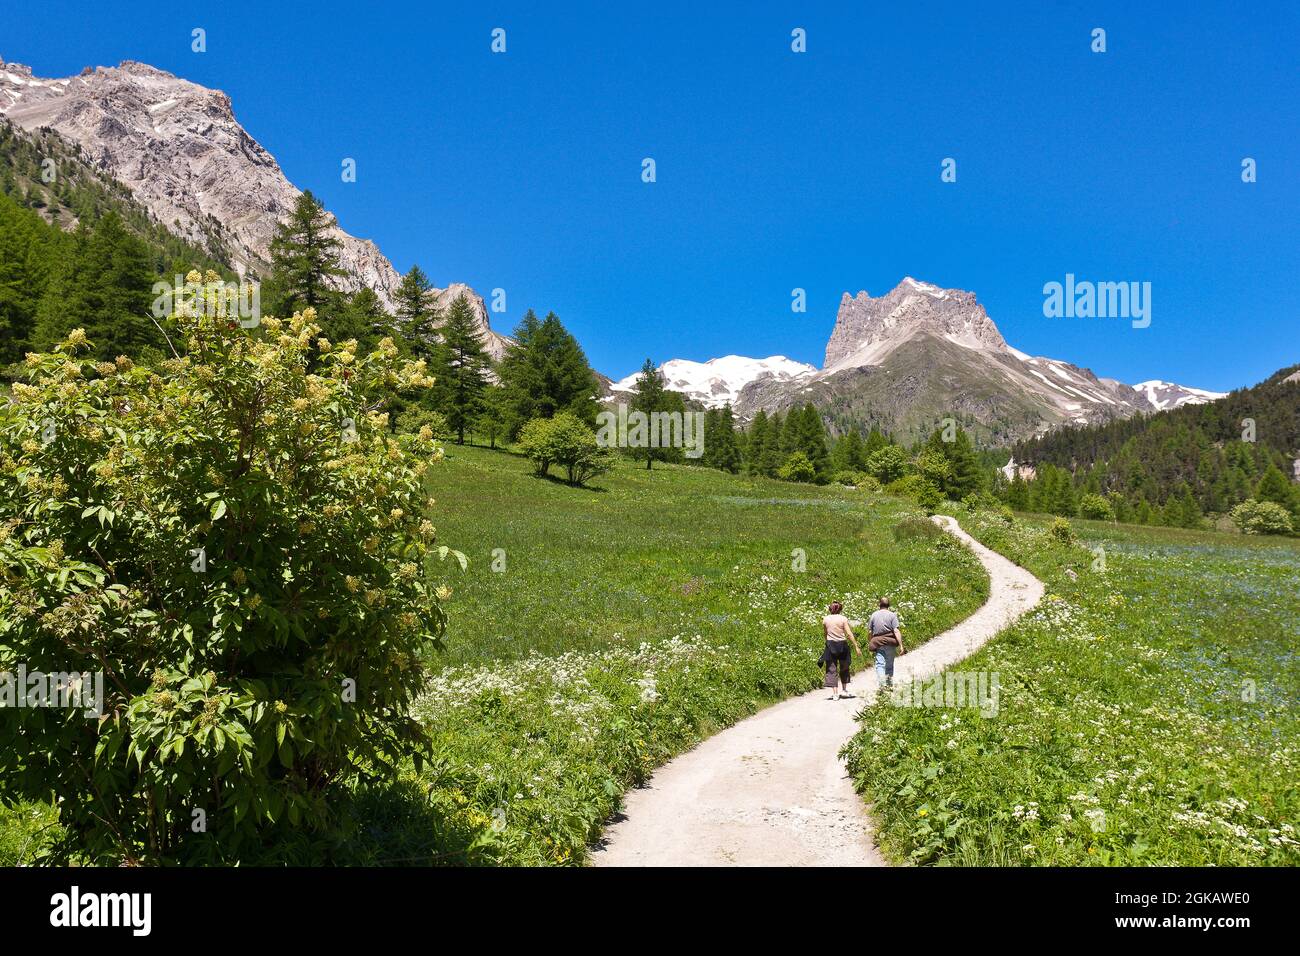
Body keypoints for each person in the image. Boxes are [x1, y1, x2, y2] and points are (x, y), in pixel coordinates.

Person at [821, 601, 861, 700]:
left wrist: (827, 642)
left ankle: (835, 693)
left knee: (831, 669)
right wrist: (856, 646)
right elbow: (849, 633)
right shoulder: (843, 619)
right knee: (844, 667)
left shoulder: (825, 619)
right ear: (840, 609)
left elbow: (825, 633)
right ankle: (844, 690)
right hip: (842, 644)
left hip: (830, 645)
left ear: (830, 609)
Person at [867, 597, 904, 689]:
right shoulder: (892, 615)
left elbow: (870, 632)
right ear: (888, 605)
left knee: (880, 664)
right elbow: (896, 631)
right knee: (889, 665)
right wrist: (901, 645)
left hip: (878, 643)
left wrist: (870, 642)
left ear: (879, 604)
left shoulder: (874, 615)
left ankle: (882, 684)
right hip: (890, 642)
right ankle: (889, 685)